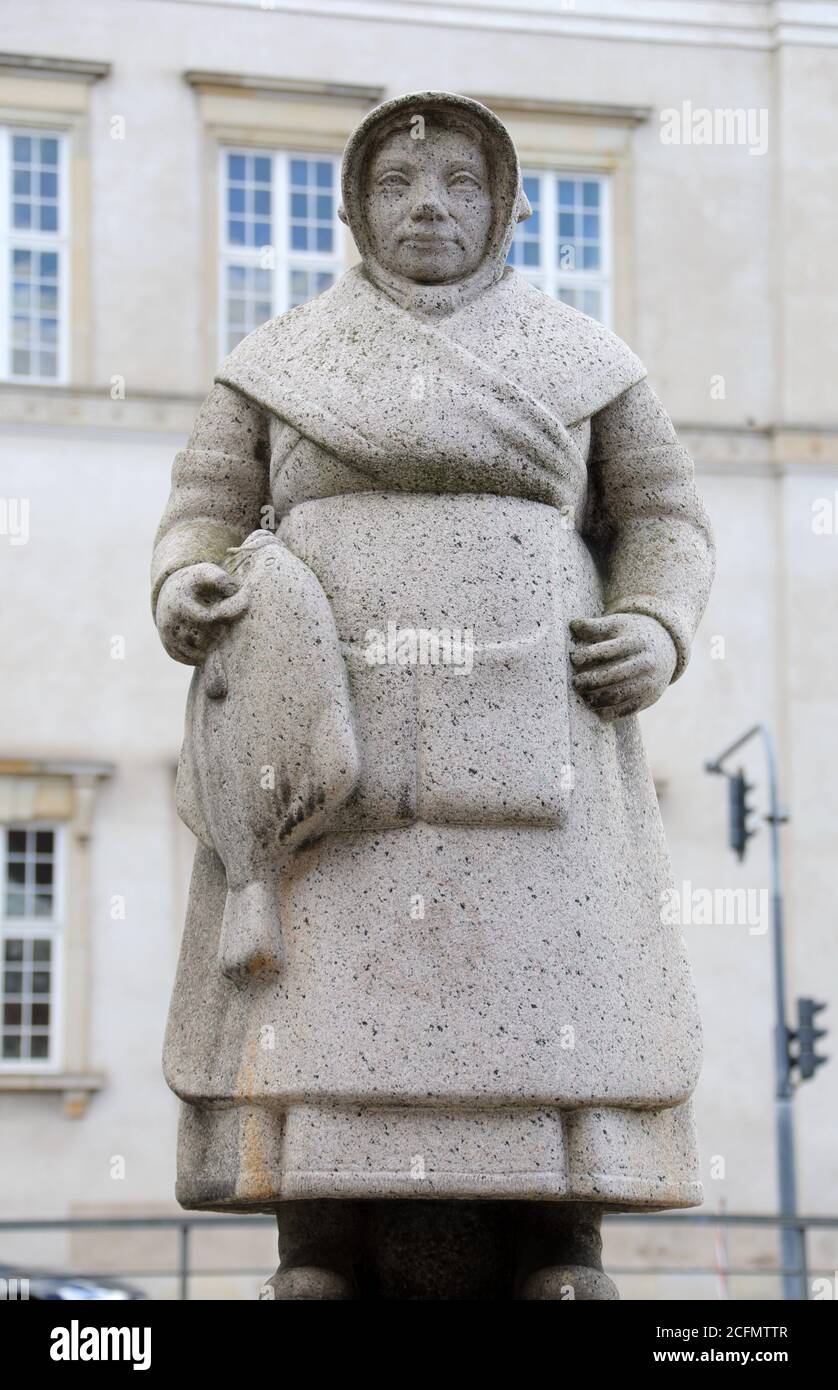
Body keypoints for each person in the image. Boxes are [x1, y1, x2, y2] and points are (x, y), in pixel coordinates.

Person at [152, 91, 714, 1300]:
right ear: (354, 209)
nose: (429, 206)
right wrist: (184, 585)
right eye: (400, 185)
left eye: (460, 183)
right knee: (324, 1014)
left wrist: (656, 627)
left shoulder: (587, 364)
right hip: (324, 742)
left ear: (505, 207)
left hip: (539, 736)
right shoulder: (276, 361)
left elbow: (663, 516)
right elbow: (203, 502)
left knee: (549, 1005)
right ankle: (320, 1253)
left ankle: (560, 1250)